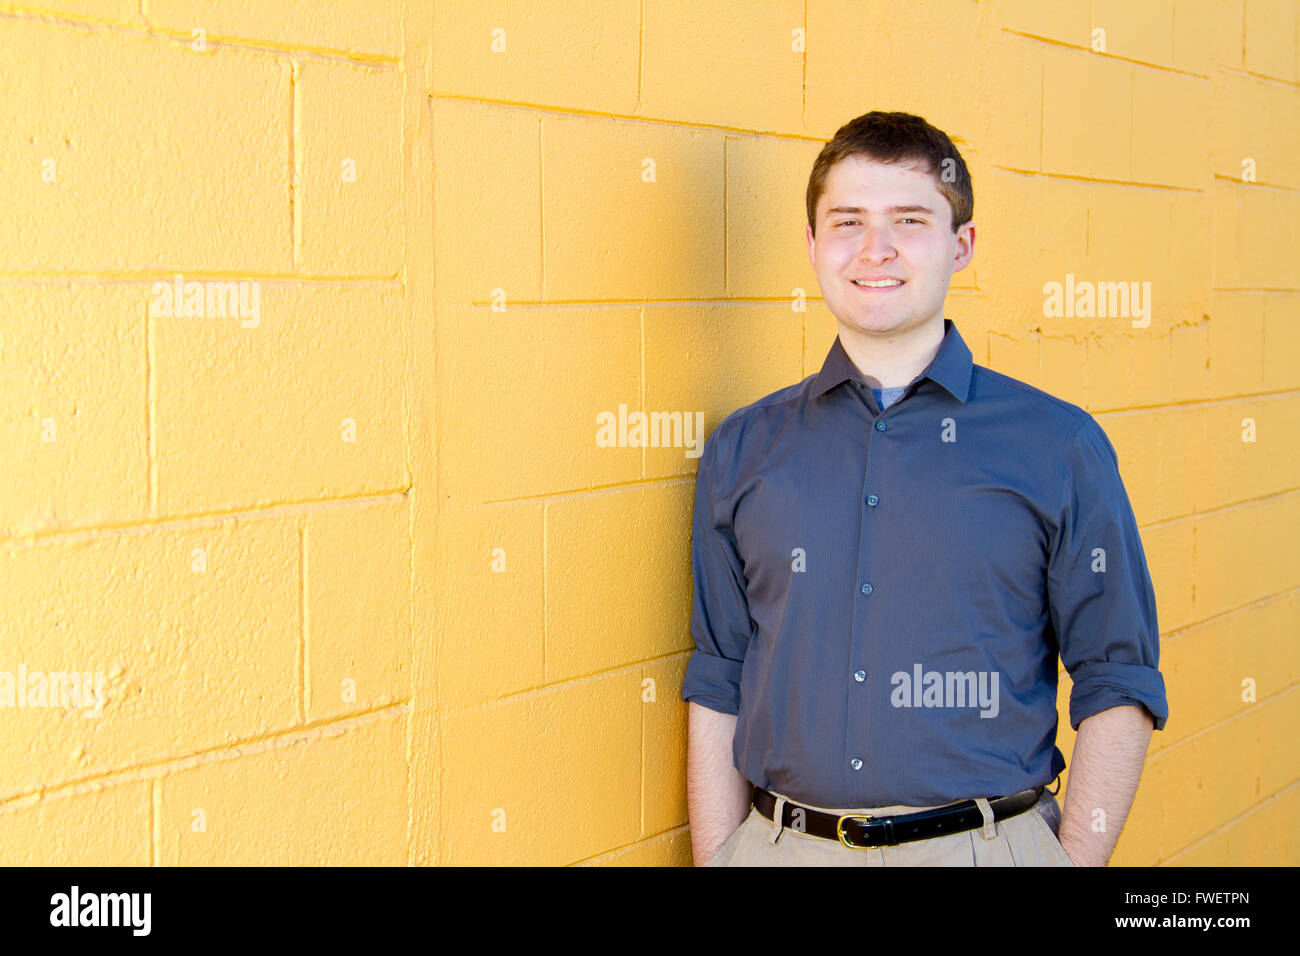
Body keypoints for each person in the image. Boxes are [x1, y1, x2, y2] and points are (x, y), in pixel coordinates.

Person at [680, 111, 1168, 867]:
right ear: (813, 247)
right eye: (847, 222)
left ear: (960, 245)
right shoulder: (743, 449)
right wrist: (722, 857)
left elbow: (1119, 677)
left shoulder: (1059, 446)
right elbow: (719, 674)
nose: (875, 249)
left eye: (909, 220)